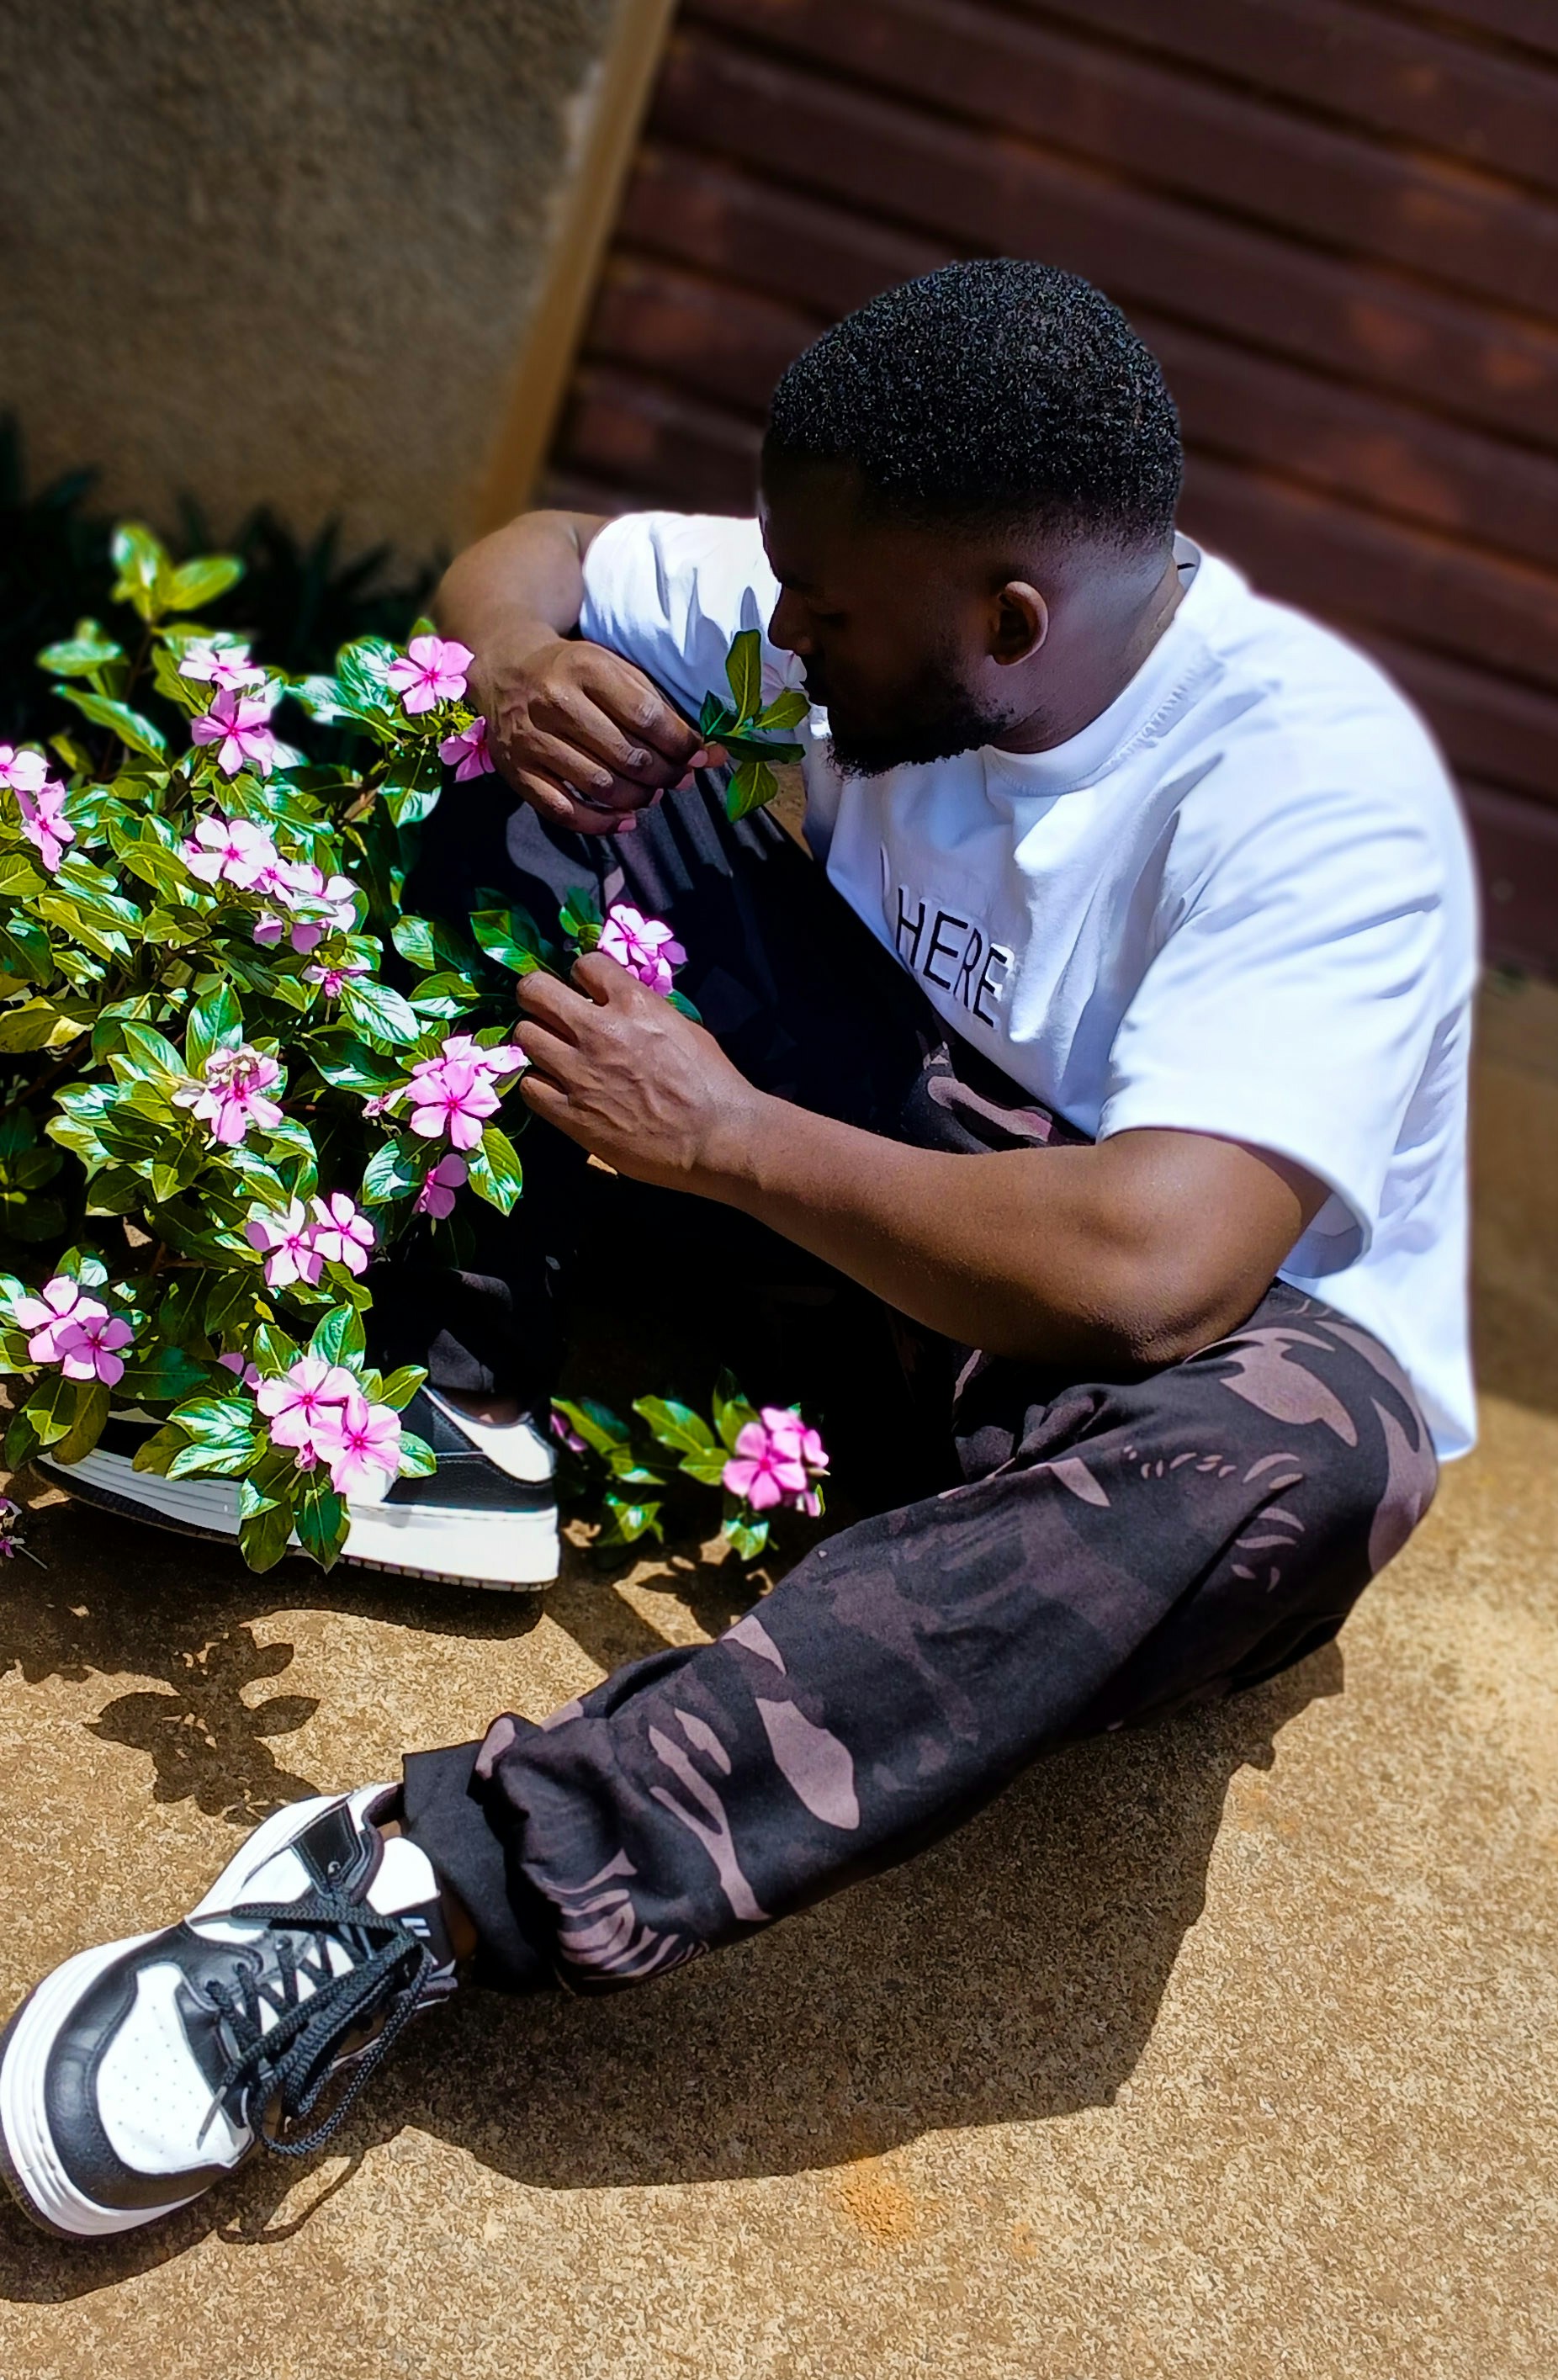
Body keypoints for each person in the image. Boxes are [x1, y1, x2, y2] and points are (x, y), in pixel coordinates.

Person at [0, 262, 1475, 2241]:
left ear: (1010, 622)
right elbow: (531, 556)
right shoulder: (895, 566)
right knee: (543, 778)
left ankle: (417, 1885)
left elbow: (1157, 1269)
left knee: (1295, 1456)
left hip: (1132, 1373)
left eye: (823, 611)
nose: (777, 631)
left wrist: (730, 1136)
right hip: (854, 1203)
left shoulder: (1316, 788)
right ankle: (458, 1414)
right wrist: (523, 661)